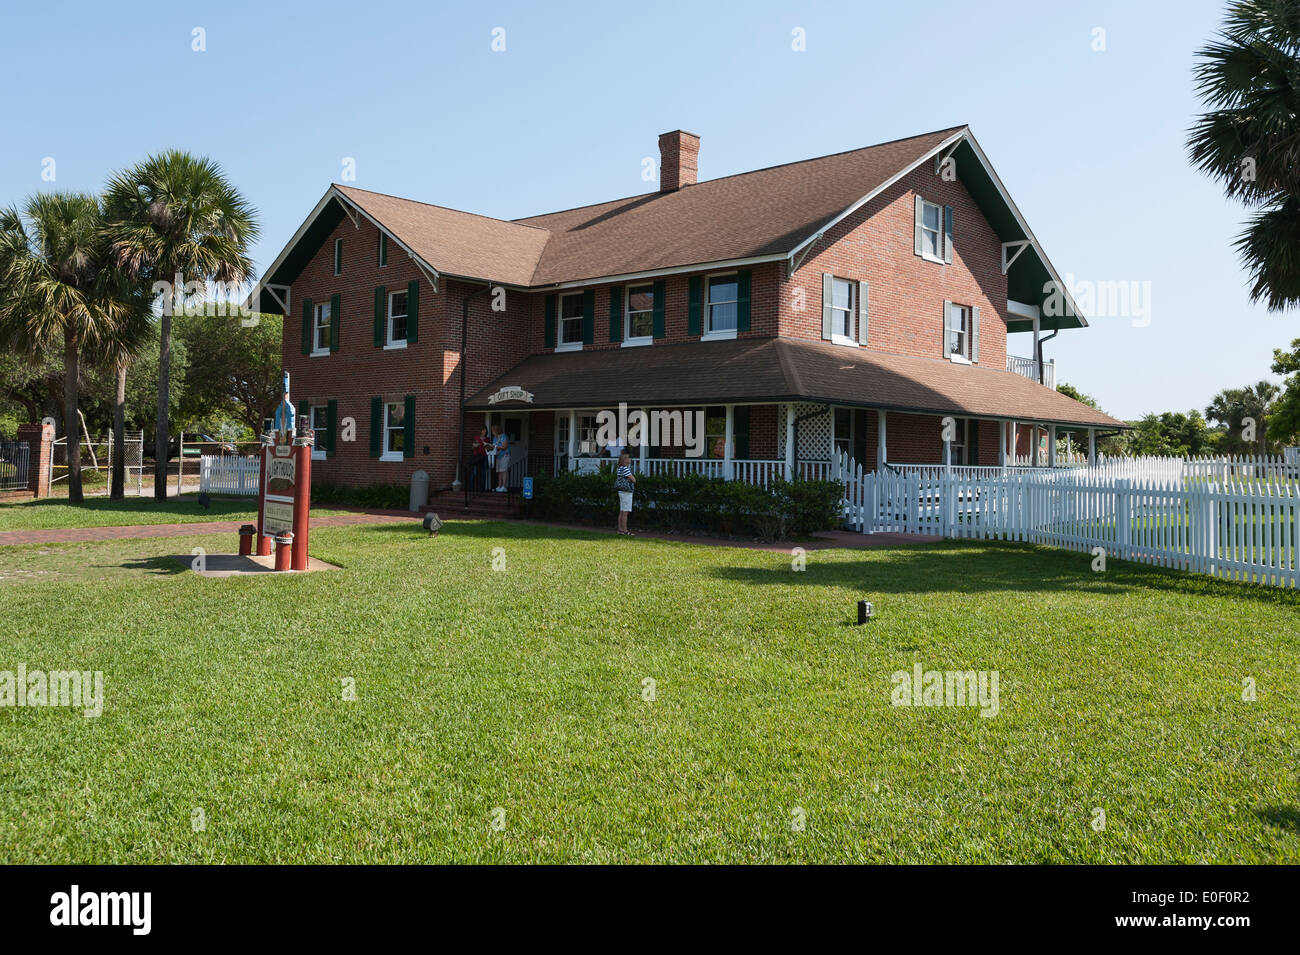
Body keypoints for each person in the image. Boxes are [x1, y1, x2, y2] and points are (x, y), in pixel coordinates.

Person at [614, 450, 636, 535]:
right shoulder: (626, 469)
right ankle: (625, 530)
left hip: (621, 491)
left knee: (622, 511)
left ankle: (620, 529)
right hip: (626, 491)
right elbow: (633, 480)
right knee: (625, 512)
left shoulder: (619, 468)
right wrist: (633, 480)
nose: (630, 459)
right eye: (628, 458)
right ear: (625, 460)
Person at [492, 424, 510, 492]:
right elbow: (494, 446)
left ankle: (504, 486)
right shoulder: (494, 438)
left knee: (504, 471)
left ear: (496, 431)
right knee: (499, 471)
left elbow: (504, 447)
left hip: (505, 455)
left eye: (493, 431)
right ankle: (499, 486)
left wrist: (496, 447)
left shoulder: (503, 436)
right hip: (498, 456)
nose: (492, 432)